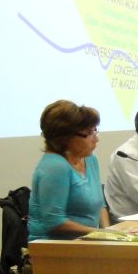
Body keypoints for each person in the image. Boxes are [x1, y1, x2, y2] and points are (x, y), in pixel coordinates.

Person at [28, 100, 108, 241]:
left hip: (85, 243)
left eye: (95, 130)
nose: (96, 139)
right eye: (88, 133)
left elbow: (100, 205)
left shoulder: (90, 160)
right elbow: (54, 222)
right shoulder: (55, 167)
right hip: (54, 250)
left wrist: (109, 233)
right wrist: (99, 234)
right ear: (65, 137)